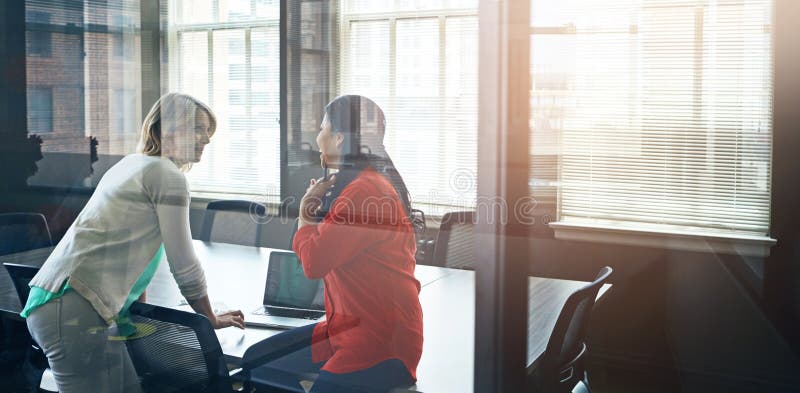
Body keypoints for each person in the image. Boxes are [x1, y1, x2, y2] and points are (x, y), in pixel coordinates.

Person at [23, 93, 245, 393]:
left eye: (207, 132)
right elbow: (185, 264)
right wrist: (209, 317)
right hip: (75, 308)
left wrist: (135, 305)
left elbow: (127, 246)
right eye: (196, 128)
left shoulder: (133, 165)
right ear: (165, 129)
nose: (205, 138)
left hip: (65, 303)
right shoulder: (166, 175)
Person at [246, 95, 423, 393]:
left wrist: (305, 212)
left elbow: (314, 263)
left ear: (339, 138)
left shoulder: (365, 190)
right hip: (344, 328)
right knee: (258, 362)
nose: (317, 138)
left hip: (378, 340)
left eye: (322, 128)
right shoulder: (358, 184)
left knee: (263, 369)